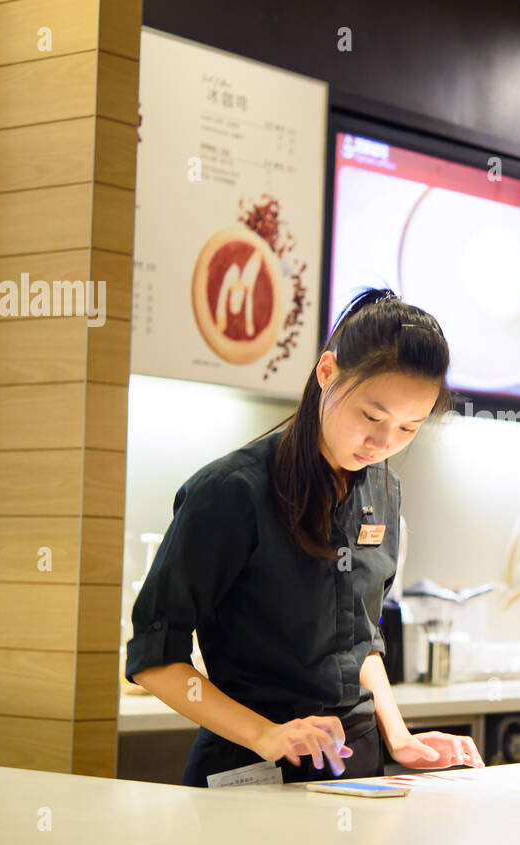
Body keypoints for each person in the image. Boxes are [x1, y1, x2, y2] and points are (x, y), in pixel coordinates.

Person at [127, 287, 483, 786]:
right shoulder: (230, 492)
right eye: (372, 417)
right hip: (251, 769)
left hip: (357, 768)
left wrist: (400, 737)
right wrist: (267, 736)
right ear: (326, 373)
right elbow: (154, 658)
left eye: (408, 428)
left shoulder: (384, 489)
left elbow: (361, 639)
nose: (383, 444)